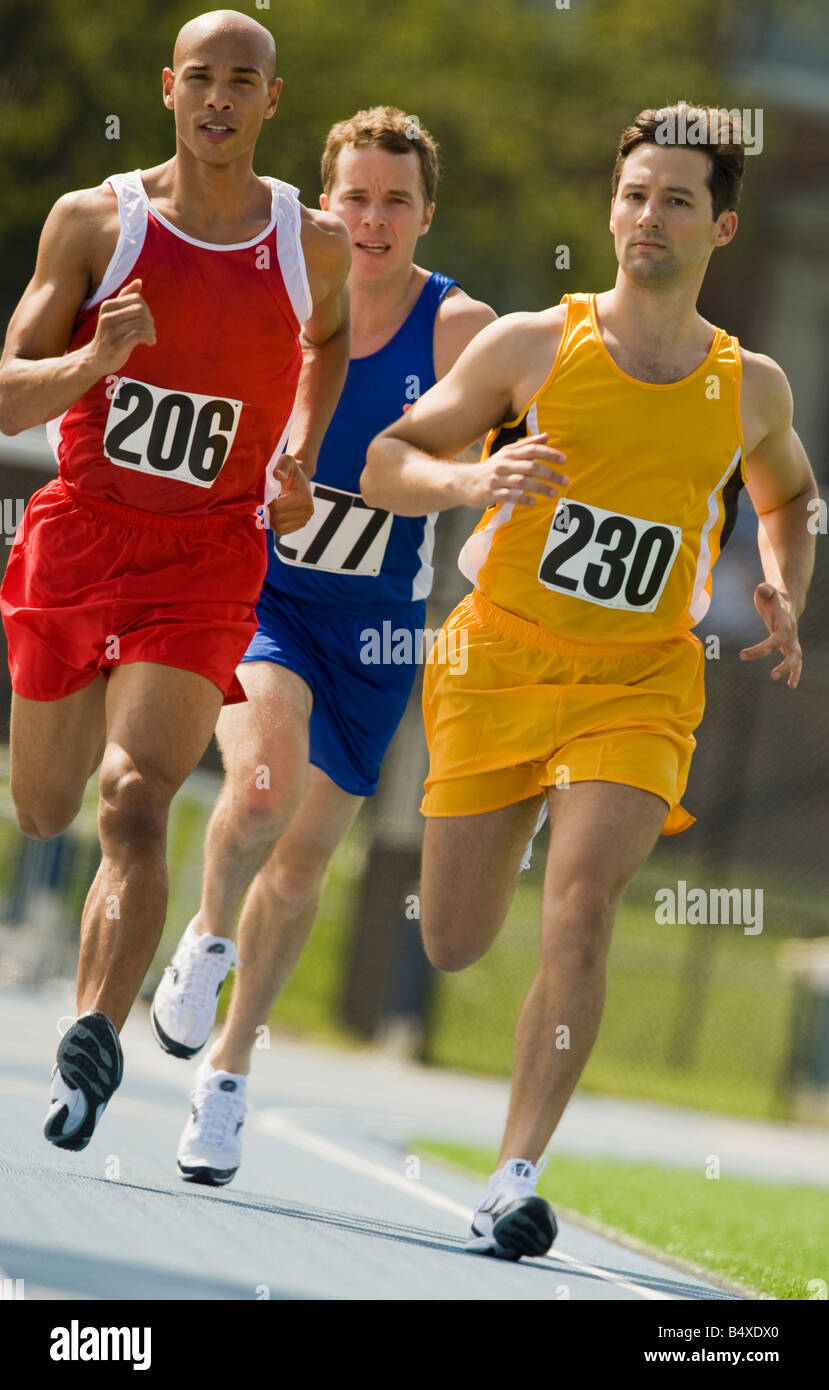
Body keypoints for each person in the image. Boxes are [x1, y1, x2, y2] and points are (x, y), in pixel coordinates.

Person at [362, 103, 818, 1261]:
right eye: (630, 194)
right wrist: (473, 484)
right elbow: (385, 460)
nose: (644, 215)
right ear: (607, 209)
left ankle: (513, 1176)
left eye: (673, 199)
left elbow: (788, 498)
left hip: (640, 683)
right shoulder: (528, 343)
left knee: (580, 908)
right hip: (498, 659)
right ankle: (521, 807)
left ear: (720, 227)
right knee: (456, 936)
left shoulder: (749, 384)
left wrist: (778, 581)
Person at [0, 8, 351, 1152]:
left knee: (135, 796)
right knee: (44, 807)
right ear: (165, 88)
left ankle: (93, 1036)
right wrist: (97, 358)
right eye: (198, 77)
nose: (217, 98)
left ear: (269, 100)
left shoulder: (313, 243)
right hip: (82, 536)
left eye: (239, 81)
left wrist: (297, 446)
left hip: (206, 555)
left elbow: (330, 341)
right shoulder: (95, 221)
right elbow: (7, 392)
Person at [150, 106, 496, 1186]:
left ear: (425, 216)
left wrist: (491, 510)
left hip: (377, 626)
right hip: (266, 594)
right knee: (260, 786)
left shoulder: (458, 329)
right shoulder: (283, 288)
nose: (373, 219)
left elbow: (527, 431)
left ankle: (228, 1072)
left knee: (300, 868)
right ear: (320, 201)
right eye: (354, 196)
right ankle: (206, 939)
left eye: (396, 200)